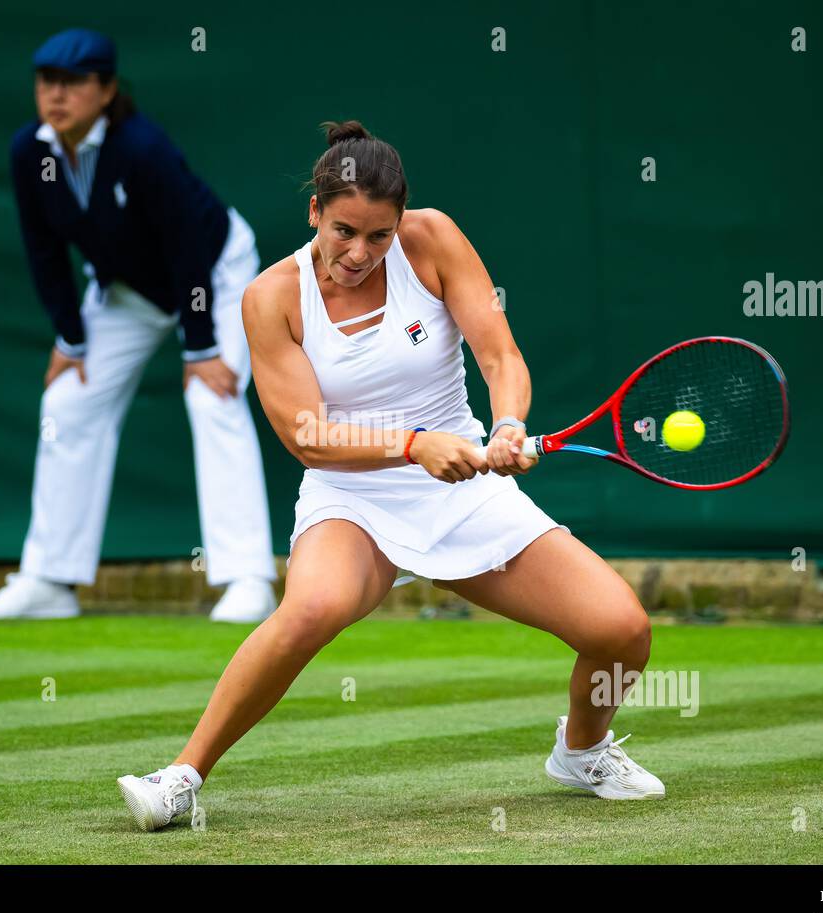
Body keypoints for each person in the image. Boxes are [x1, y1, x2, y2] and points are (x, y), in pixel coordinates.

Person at [118, 120, 664, 830]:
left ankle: (582, 749)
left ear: (400, 221)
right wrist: (413, 445)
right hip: (353, 494)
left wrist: (505, 427)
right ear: (314, 212)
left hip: (466, 490)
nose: (359, 252)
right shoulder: (270, 297)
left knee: (623, 631)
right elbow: (307, 436)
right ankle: (181, 777)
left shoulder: (432, 239)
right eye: (344, 231)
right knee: (310, 610)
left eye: (378, 236)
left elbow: (500, 357)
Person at [0, 28, 276, 623]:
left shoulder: (142, 148)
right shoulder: (30, 154)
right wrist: (70, 337)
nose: (57, 95)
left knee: (212, 399)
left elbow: (188, 248)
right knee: (66, 400)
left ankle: (248, 580)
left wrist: (201, 348)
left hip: (214, 274)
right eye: (47, 82)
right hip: (127, 292)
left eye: (74, 82)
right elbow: (43, 250)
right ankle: (50, 580)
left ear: (106, 90)